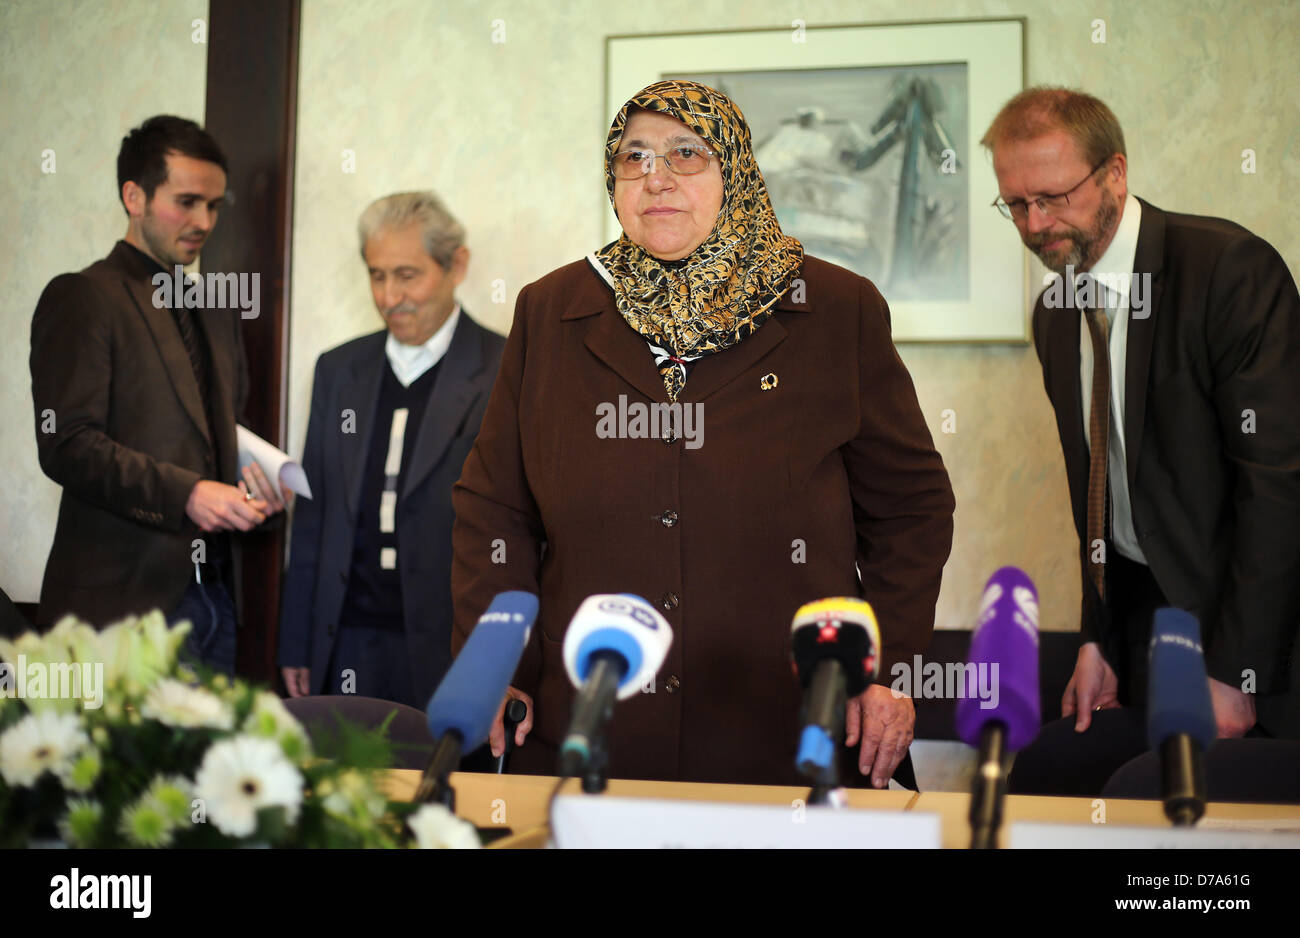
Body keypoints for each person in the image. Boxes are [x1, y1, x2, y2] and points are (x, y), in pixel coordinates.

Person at [451, 80, 954, 787]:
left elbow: (911, 511)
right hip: (592, 725)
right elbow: (493, 507)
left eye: (687, 153)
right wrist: (496, 665)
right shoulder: (551, 312)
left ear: (737, 172)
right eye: (634, 157)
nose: (656, 177)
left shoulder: (836, 310)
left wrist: (887, 669)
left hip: (788, 726)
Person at [979, 87, 1300, 795]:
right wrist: (1098, 637)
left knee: (1148, 806)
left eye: (1055, 197)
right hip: (1145, 630)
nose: (1037, 224)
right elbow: (1095, 492)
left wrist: (1236, 671)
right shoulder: (1055, 314)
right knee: (1037, 776)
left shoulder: (1227, 272)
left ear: (1115, 173)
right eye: (1017, 205)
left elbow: (1279, 485)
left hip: (1257, 638)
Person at [30, 115, 287, 674]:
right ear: (134, 196)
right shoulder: (83, 297)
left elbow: (216, 437)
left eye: (214, 206)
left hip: (216, 603)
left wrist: (255, 488)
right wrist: (189, 493)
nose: (203, 221)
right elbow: (66, 444)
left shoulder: (217, 310)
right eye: (187, 201)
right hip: (118, 611)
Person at [278, 192, 505, 709]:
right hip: (344, 640)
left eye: (407, 275)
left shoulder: (503, 367)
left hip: (450, 646)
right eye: (376, 275)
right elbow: (314, 514)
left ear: (457, 266)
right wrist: (296, 641)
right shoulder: (339, 371)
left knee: (436, 789)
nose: (388, 296)